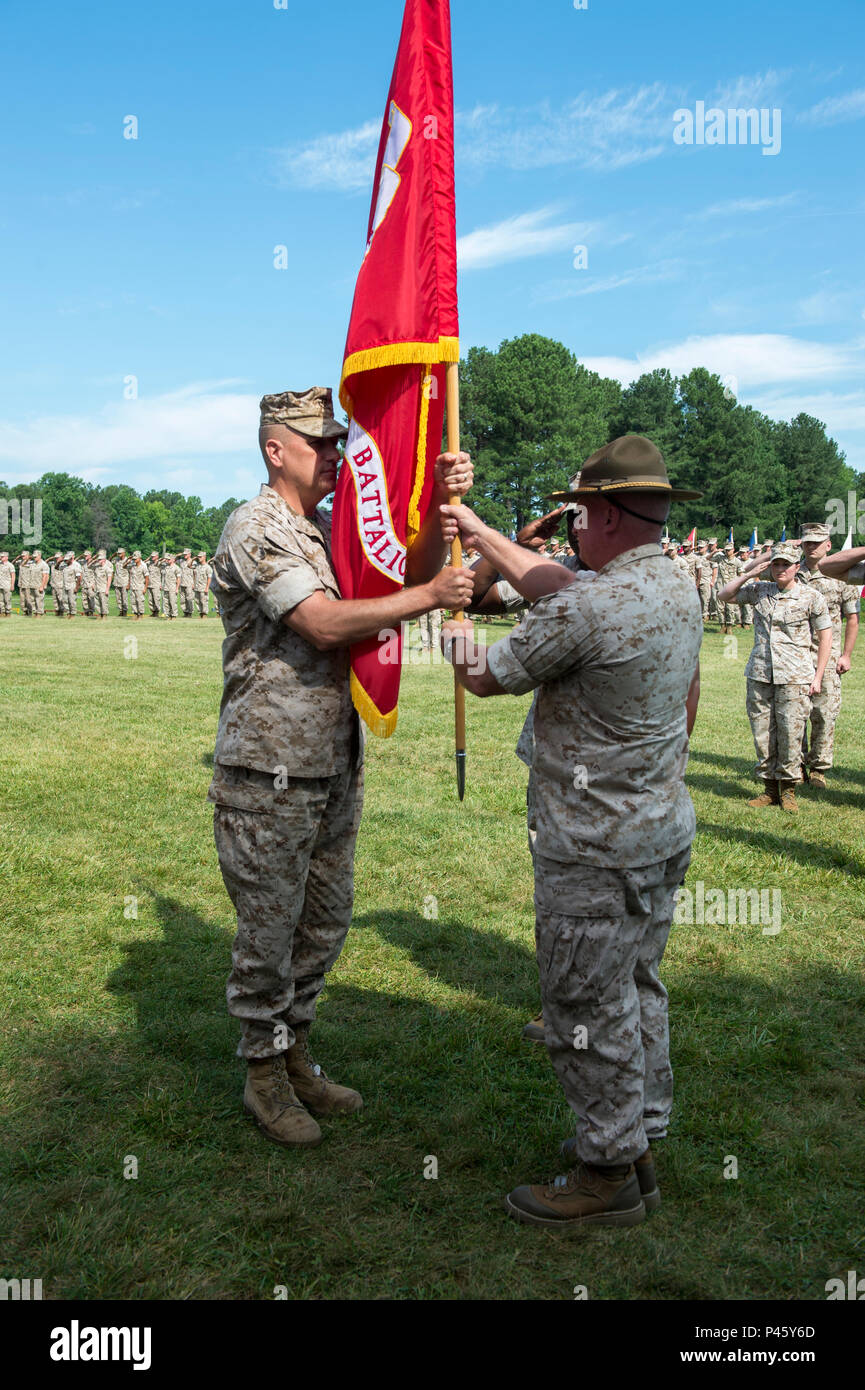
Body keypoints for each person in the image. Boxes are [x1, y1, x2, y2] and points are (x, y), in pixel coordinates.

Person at [441, 435, 702, 1229]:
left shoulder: (588, 608)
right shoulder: (674, 583)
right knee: (635, 988)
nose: (572, 526)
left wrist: (447, 621)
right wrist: (478, 530)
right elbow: (556, 581)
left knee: (582, 1005)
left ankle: (607, 1171)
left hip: (592, 847)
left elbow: (484, 674)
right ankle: (640, 1132)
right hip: (656, 829)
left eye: (579, 512)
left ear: (605, 516)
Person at [208, 386, 474, 1151]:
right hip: (268, 766)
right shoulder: (256, 526)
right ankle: (264, 1074)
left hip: (329, 757)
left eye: (336, 441)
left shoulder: (327, 526)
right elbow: (322, 623)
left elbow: (395, 573)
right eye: (318, 443)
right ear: (274, 449)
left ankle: (296, 1054)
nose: (335, 454)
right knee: (269, 930)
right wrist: (430, 596)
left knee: (322, 921)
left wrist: (437, 510)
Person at [717, 541, 832, 813]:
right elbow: (724, 595)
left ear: (796, 567)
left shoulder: (811, 597)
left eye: (786, 565)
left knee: (791, 733)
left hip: (795, 676)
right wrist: (749, 574)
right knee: (762, 733)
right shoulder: (760, 591)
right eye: (776, 564)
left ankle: (788, 790)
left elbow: (825, 636)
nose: (780, 569)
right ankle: (769, 789)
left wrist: (818, 676)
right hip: (760, 674)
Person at [796, 524, 860, 788]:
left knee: (824, 713)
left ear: (828, 545)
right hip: (796, 653)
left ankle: (819, 768)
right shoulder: (791, 571)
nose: (811, 546)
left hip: (829, 655)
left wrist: (846, 655)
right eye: (807, 542)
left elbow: (852, 618)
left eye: (817, 542)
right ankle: (796, 765)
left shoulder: (841, 575)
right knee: (795, 712)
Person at [716, 543, 739, 633]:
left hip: (731, 587)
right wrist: (715, 551)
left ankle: (729, 626)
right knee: (720, 607)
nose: (727, 552)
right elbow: (708, 558)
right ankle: (722, 625)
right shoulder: (720, 558)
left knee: (730, 607)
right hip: (720, 586)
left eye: (729, 550)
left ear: (733, 550)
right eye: (726, 550)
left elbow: (741, 574)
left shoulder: (737, 561)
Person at [127, 551, 149, 619]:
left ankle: (140, 614)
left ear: (139, 558)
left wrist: (145, 588)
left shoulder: (143, 566)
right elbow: (124, 567)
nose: (134, 560)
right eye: (133, 559)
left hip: (140, 587)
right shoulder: (132, 566)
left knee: (140, 601)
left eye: (135, 559)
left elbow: (147, 578)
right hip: (133, 586)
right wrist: (128, 560)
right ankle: (135, 614)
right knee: (133, 601)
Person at [93, 550, 113, 618]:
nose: (98, 560)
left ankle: (104, 615)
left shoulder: (107, 568)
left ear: (104, 560)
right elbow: (94, 576)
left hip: (103, 587)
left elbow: (109, 579)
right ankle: (100, 614)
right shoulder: (97, 567)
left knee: (103, 602)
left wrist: (107, 589)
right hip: (97, 587)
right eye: (98, 559)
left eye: (100, 559)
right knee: (97, 602)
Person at [61, 551, 81, 618]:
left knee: (72, 601)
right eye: (65, 560)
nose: (65, 561)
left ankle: (73, 614)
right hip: (65, 585)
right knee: (65, 600)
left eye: (67, 560)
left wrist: (77, 588)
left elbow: (79, 577)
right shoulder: (64, 567)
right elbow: (57, 568)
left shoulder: (75, 566)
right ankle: (68, 613)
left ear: (70, 559)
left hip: (72, 585)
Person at [31, 549, 50, 616]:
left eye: (35, 556)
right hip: (32, 585)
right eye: (34, 556)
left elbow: (45, 576)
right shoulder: (33, 564)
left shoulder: (44, 564)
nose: (34, 558)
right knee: (33, 600)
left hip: (39, 585)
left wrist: (42, 586)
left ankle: (39, 613)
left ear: (40, 556)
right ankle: (35, 612)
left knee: (39, 600)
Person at [193, 552, 212, 616]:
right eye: (198, 557)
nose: (199, 558)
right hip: (197, 587)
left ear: (204, 557)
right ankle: (200, 613)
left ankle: (204, 614)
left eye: (200, 557)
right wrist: (193, 559)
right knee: (197, 601)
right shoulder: (197, 566)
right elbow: (189, 566)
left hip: (203, 587)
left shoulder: (208, 567)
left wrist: (207, 588)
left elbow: (209, 578)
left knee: (204, 601)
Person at [161, 554, 180, 619]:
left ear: (173, 560)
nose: (167, 560)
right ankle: (167, 615)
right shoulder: (165, 567)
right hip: (166, 587)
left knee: (173, 602)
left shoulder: (176, 567)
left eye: (168, 559)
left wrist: (177, 588)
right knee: (166, 602)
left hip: (172, 587)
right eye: (166, 559)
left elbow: (178, 579)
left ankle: (174, 615)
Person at [113, 549, 130, 616]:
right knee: (118, 598)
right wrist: (113, 555)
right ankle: (120, 611)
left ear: (124, 553)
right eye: (118, 553)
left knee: (124, 598)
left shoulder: (128, 560)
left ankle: (125, 611)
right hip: (117, 582)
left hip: (124, 582)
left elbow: (130, 573)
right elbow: (108, 561)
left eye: (120, 553)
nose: (119, 554)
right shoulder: (116, 559)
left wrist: (129, 584)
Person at [178, 550, 196, 616]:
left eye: (186, 554)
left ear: (189, 554)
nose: (184, 555)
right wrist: (179, 554)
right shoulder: (181, 561)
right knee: (182, 599)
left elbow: (195, 573)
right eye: (184, 554)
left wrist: (194, 583)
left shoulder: (193, 562)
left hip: (189, 583)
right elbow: (173, 559)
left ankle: (190, 612)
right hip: (182, 582)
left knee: (189, 598)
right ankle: (185, 612)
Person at [147, 553, 163, 617]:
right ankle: (153, 612)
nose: (152, 557)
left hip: (156, 584)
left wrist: (161, 584)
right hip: (149, 584)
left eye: (154, 556)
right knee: (150, 600)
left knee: (156, 599)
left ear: (157, 556)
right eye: (152, 556)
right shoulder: (149, 563)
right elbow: (143, 562)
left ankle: (157, 612)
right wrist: (149, 556)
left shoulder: (159, 563)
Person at [0, 551, 14, 616]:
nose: (1, 557)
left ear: (6, 557)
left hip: (7, 585)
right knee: (0, 600)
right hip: (0, 585)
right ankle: (2, 612)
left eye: (2, 557)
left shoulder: (10, 565)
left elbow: (13, 576)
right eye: (1, 556)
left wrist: (12, 585)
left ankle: (8, 612)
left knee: (7, 600)